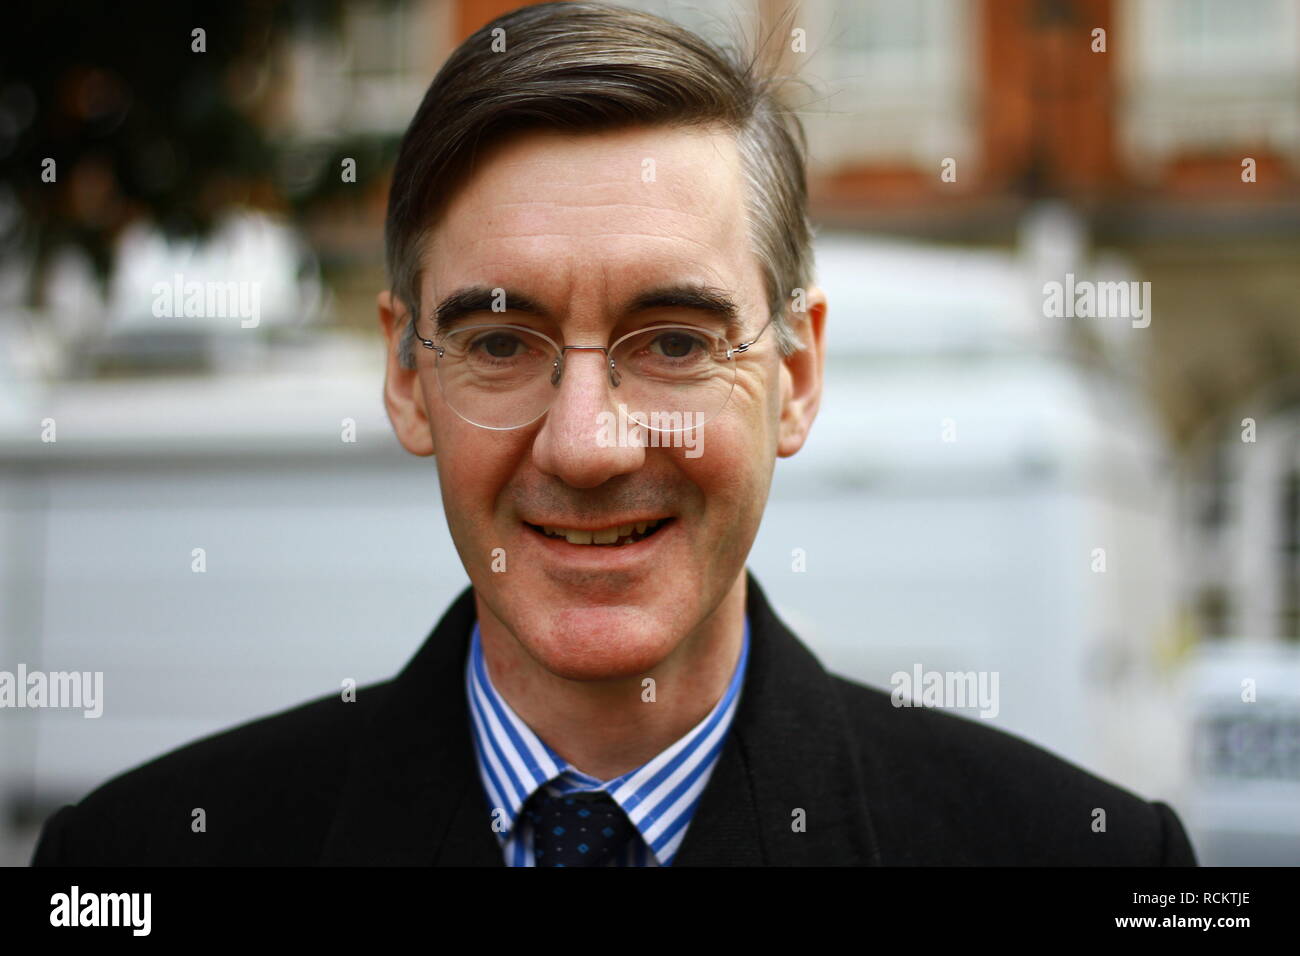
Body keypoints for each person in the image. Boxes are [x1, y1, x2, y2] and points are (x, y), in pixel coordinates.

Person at [31, 1, 1196, 867]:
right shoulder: (138, 859)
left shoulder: (1079, 858)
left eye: (675, 341)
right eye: (499, 341)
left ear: (793, 374)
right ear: (404, 372)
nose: (586, 444)